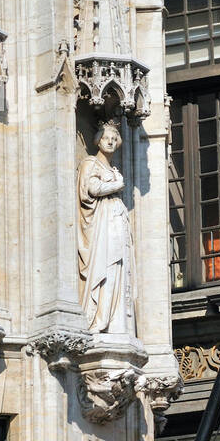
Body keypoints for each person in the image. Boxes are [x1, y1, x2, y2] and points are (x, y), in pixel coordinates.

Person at [77, 120, 135, 335]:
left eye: (114, 139)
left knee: (118, 270)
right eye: (106, 138)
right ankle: (99, 319)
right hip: (102, 226)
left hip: (116, 221)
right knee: (107, 266)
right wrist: (116, 185)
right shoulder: (90, 163)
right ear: (98, 141)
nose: (110, 142)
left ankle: (116, 323)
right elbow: (90, 189)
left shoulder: (113, 168)